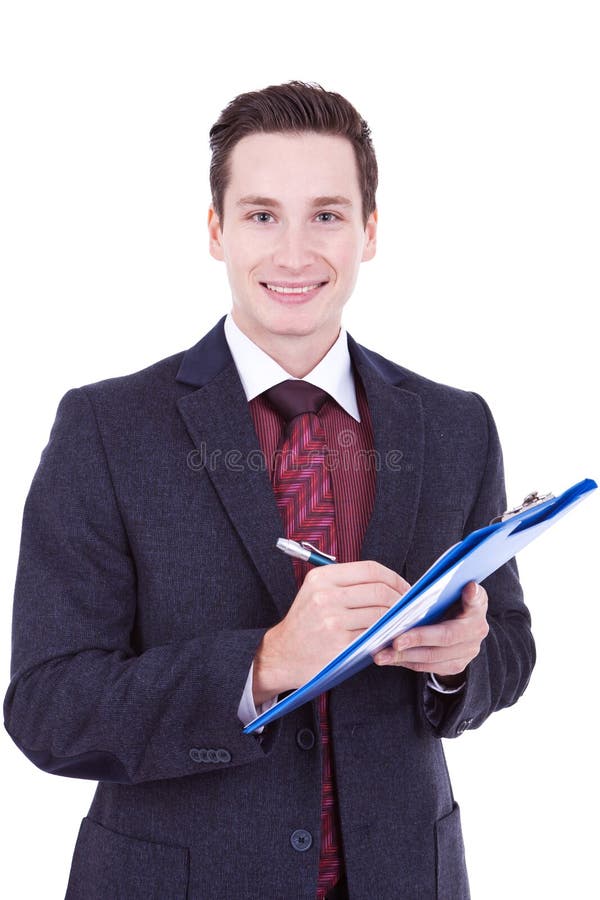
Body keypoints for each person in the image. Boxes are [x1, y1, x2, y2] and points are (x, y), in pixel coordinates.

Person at [3, 80, 535, 899]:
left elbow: (510, 644)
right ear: (216, 231)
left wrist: (458, 663)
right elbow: (50, 708)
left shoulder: (456, 425)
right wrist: (263, 664)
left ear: (370, 231)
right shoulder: (107, 429)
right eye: (261, 216)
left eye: (326, 214)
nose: (293, 254)